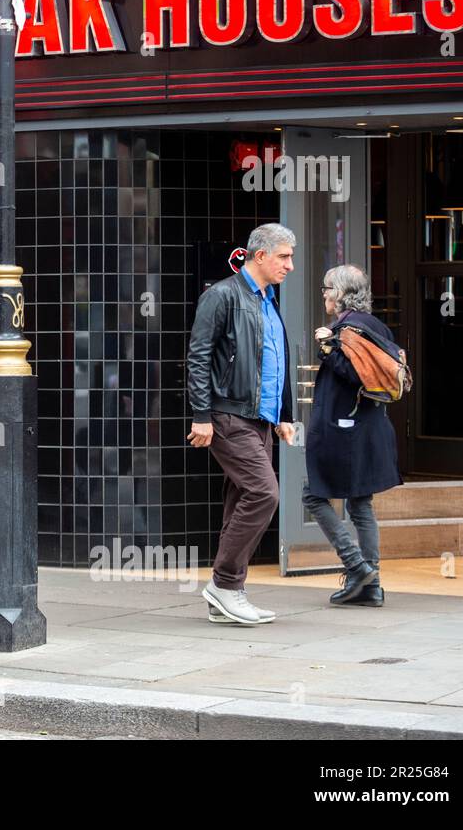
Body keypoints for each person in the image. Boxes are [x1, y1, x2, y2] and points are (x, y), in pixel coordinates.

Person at [187, 223, 297, 626]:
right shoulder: (222, 296)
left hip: (260, 420)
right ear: (260, 255)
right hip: (227, 413)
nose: (290, 265)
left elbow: (275, 359)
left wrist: (283, 415)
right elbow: (198, 358)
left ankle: (227, 594)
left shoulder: (268, 299)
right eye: (284, 257)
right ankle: (224, 585)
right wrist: (202, 416)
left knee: (241, 499)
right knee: (265, 493)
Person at [305, 264, 400, 607]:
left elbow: (358, 377)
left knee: (313, 494)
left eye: (328, 288)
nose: (324, 294)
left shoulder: (347, 330)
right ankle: (371, 586)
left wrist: (328, 347)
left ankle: (358, 567)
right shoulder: (377, 327)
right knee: (361, 503)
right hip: (370, 427)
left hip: (346, 429)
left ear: (342, 293)